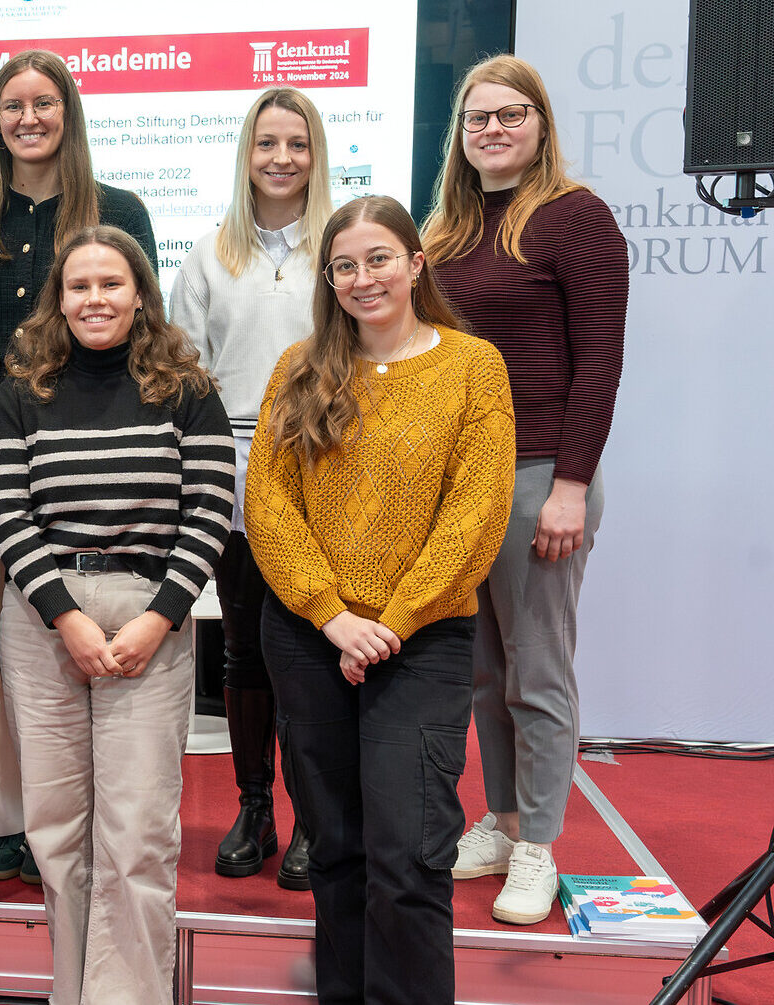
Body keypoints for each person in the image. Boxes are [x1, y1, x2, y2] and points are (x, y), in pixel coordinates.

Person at [248, 195, 516, 1005]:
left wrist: (390, 623)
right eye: (344, 266)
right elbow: (267, 504)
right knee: (334, 851)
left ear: (415, 263)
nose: (363, 278)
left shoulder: (473, 366)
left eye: (379, 259)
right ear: (328, 279)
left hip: (421, 641)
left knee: (410, 856)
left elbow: (476, 514)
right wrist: (332, 615)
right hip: (309, 634)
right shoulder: (299, 368)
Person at [0, 226, 233, 1004]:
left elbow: (210, 511)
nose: (95, 299)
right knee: (55, 832)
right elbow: (6, 511)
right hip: (44, 619)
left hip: (150, 619)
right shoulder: (23, 393)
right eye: (79, 286)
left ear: (140, 295)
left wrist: (160, 617)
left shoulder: (188, 390)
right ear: (59, 300)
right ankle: (73, 992)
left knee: (137, 835)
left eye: (111, 284)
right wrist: (65, 616)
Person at [0, 49, 157, 881]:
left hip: (92, 430)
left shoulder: (121, 210)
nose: (28, 118)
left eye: (44, 102)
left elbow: (149, 334)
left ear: (69, 111)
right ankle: (19, 818)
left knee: (86, 612)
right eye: (12, 105)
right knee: (9, 631)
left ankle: (92, 813)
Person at [426, 54, 627, 926]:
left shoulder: (576, 219)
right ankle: (504, 823)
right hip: (462, 483)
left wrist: (570, 486)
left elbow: (600, 365)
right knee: (484, 670)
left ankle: (540, 841)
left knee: (536, 669)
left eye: (512, 114)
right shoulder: (443, 231)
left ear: (541, 124)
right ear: (460, 133)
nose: (494, 130)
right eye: (479, 118)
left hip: (540, 474)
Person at [170, 86, 335, 890]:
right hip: (233, 472)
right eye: (267, 143)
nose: (281, 158)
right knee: (241, 650)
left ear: (316, 154)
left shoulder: (339, 246)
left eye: (296, 144)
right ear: (246, 154)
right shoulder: (209, 255)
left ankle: (313, 818)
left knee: (308, 653)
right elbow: (183, 375)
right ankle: (255, 807)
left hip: (323, 471)